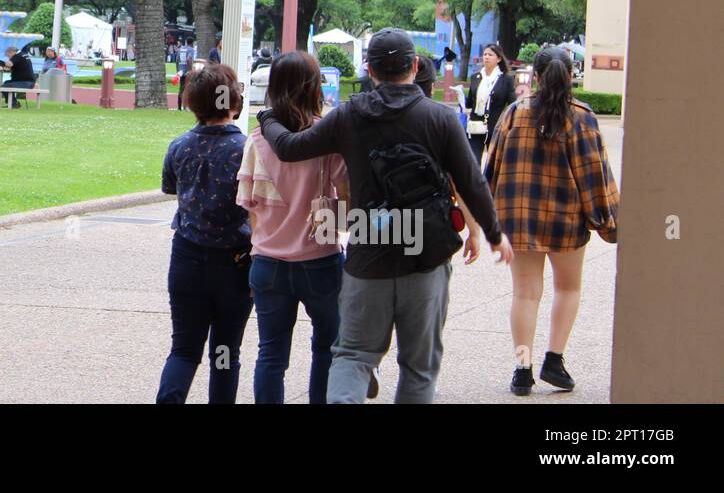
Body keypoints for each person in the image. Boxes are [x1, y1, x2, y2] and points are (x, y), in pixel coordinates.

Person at [257, 28, 512, 403]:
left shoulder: (348, 116)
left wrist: (267, 118)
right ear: (414, 66)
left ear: (370, 70)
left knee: (353, 356)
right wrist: (493, 233)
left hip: (369, 252)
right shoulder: (440, 118)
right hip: (425, 255)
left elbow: (290, 148)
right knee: (419, 368)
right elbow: (472, 181)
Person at [483, 45, 618, 396]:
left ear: (536, 77)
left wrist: (488, 219)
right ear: (570, 75)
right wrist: (609, 223)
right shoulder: (582, 117)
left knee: (525, 293)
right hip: (567, 221)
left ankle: (522, 369)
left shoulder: (515, 112)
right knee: (567, 288)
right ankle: (554, 361)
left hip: (520, 219)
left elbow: (491, 168)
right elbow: (595, 176)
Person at [238, 52, 348, 404]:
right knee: (328, 347)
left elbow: (250, 205)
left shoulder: (257, 140)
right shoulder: (327, 136)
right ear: (314, 87)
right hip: (320, 259)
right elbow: (347, 199)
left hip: (268, 261)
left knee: (270, 354)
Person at [157, 63, 252, 403]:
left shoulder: (179, 146)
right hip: (234, 263)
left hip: (187, 259)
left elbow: (170, 187)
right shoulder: (246, 150)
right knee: (225, 353)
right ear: (234, 102)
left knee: (184, 350)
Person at [465, 43, 513, 160]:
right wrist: (461, 97)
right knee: (473, 160)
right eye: (485, 54)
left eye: (490, 55)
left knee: (493, 161)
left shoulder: (506, 79)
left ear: (499, 59)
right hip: (475, 125)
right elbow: (470, 102)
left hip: (495, 126)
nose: (486, 57)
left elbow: (512, 104)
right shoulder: (476, 77)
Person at [175, 40, 196, 111]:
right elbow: (188, 59)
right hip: (187, 72)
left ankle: (179, 107)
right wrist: (190, 70)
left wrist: (178, 70)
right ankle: (186, 106)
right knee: (189, 89)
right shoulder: (191, 50)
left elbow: (177, 60)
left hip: (181, 71)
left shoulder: (181, 49)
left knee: (181, 89)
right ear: (192, 43)